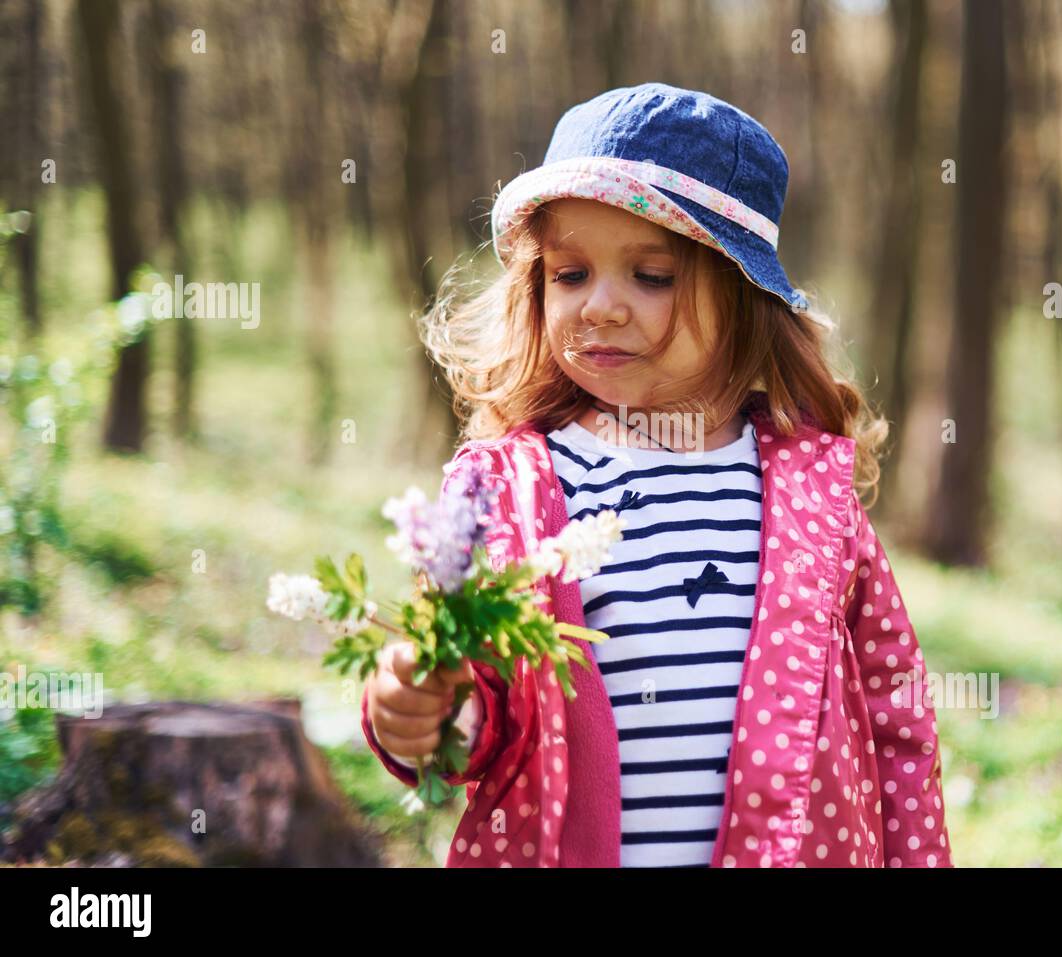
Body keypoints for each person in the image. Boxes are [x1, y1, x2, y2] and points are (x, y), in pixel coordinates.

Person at [361, 82, 952, 868]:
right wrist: (426, 709)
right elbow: (478, 685)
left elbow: (896, 716)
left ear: (745, 295)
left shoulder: (813, 499)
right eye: (570, 274)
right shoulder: (507, 490)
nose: (600, 306)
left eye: (651, 275)